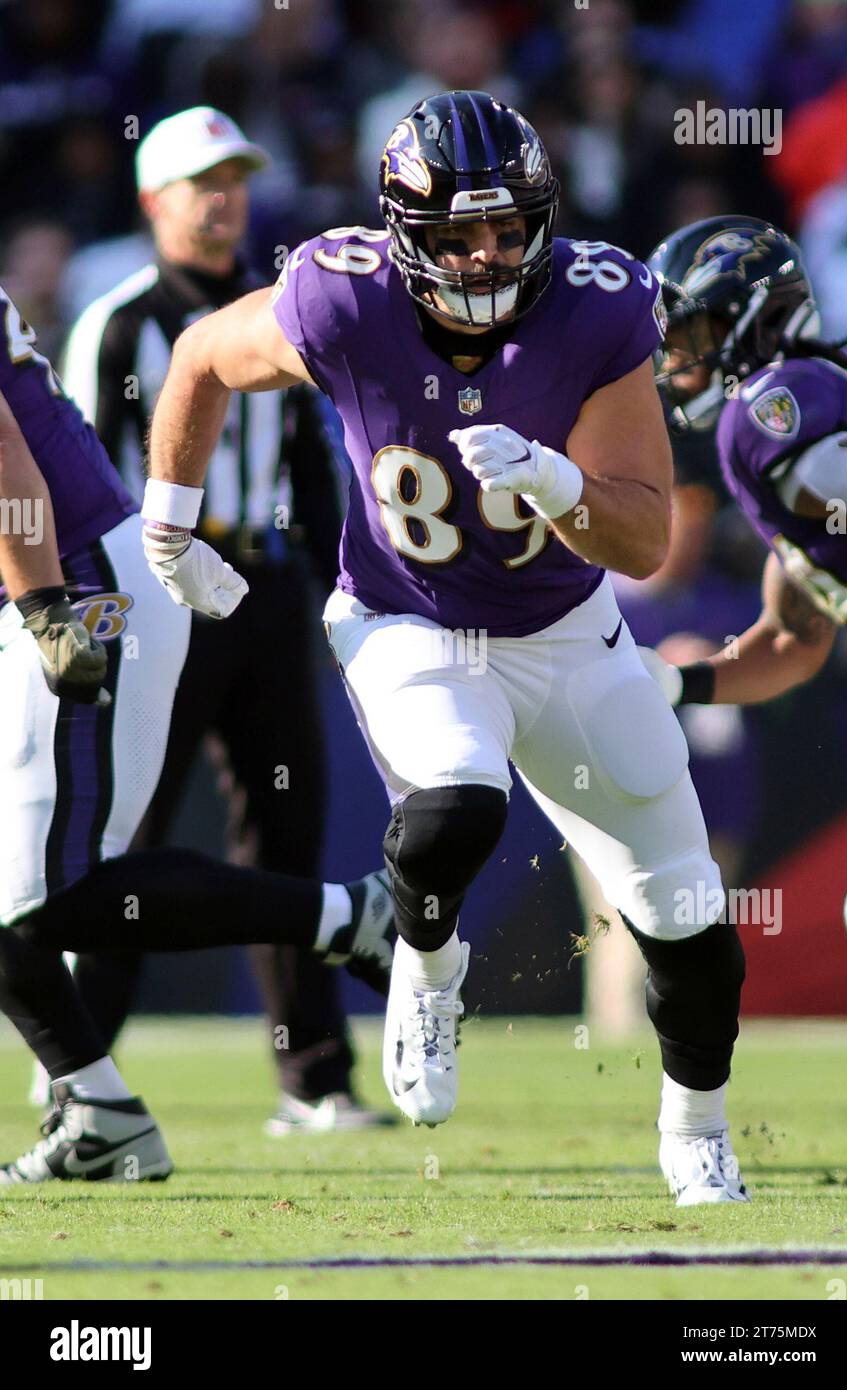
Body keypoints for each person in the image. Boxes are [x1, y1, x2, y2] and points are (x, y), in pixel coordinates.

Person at [142, 90, 751, 1206]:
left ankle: (696, 1132)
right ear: (400, 231)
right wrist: (167, 522)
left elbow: (646, 532)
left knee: (684, 912)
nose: (486, 255)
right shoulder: (340, 293)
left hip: (568, 630)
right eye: (458, 236)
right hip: (406, 618)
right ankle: (427, 966)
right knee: (452, 807)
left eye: (509, 229)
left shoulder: (598, 306)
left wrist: (557, 481)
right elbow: (197, 355)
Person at [0, 276, 393, 1185]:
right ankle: (97, 1107)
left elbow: (5, 449)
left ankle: (347, 914)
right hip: (60, 577)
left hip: (76, 577)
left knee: (47, 896)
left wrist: (47, 604)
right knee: (29, 891)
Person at [60, 105, 385, 1134]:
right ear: (154, 200)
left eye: (236, 179)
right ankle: (79, 1063)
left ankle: (315, 1080)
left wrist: (346, 580)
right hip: (152, 593)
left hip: (262, 585)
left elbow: (310, 464)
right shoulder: (117, 321)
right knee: (122, 836)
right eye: (202, 181)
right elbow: (79, 482)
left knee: (287, 831)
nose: (223, 198)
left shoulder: (276, 315)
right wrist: (92, 618)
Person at [643, 213, 847, 973]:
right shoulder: (805, 407)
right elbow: (790, 639)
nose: (678, 357)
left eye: (693, 330)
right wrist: (677, 682)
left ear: (754, 317)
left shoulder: (765, 409)